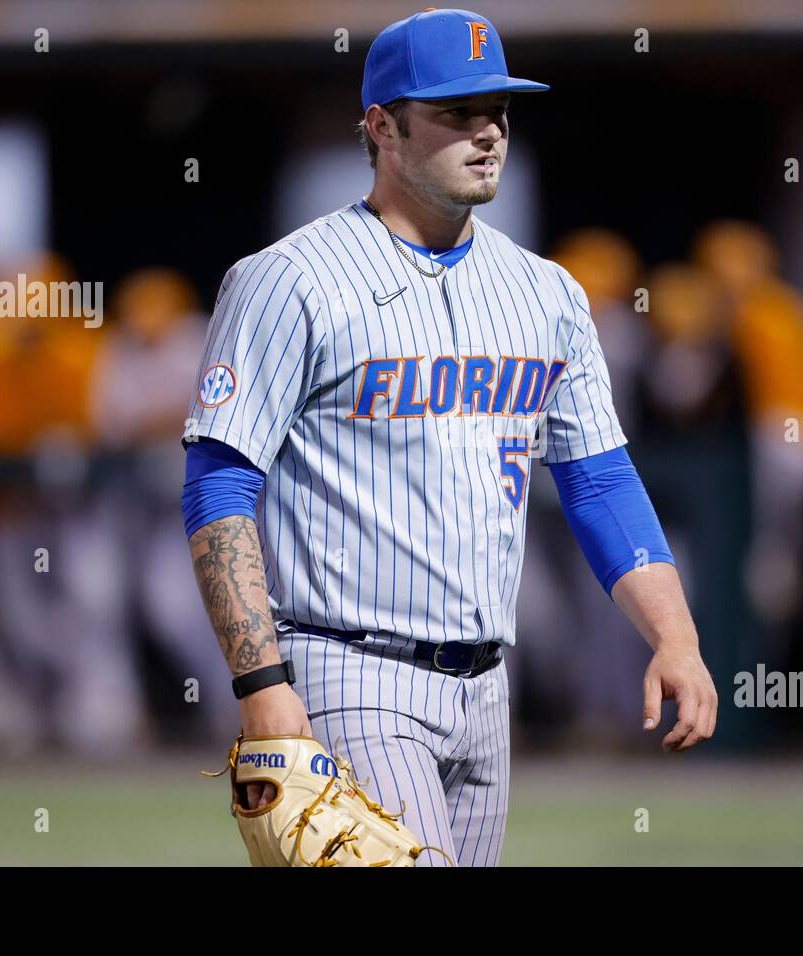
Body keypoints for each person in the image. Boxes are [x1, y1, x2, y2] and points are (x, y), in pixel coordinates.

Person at [181, 7, 717, 866]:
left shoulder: (545, 292)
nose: (488, 133)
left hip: (485, 692)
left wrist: (675, 637)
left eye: (498, 110)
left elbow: (599, 481)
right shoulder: (290, 280)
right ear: (382, 128)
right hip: (349, 668)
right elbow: (218, 484)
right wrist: (260, 680)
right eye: (457, 112)